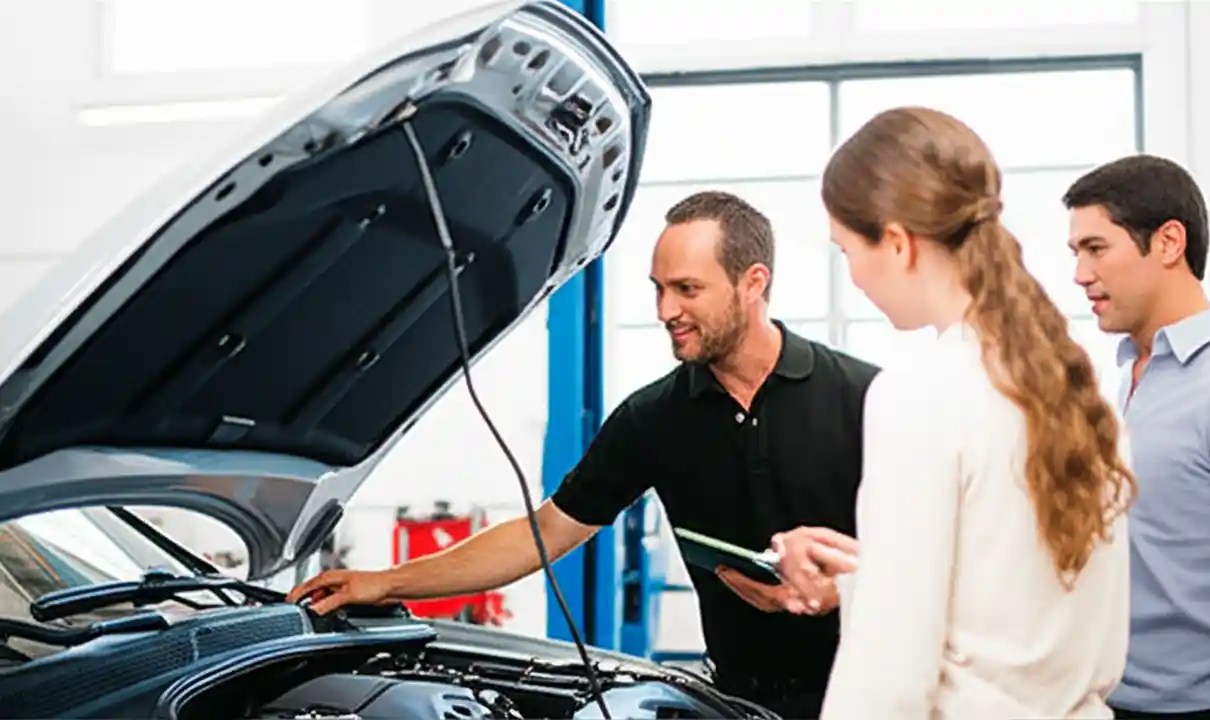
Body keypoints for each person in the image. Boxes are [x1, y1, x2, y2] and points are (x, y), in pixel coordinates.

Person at [287, 190, 881, 718]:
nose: (664, 311)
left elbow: (948, 556)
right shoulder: (654, 418)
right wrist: (385, 585)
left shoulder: (866, 398)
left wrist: (845, 592)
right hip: (738, 703)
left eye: (687, 289)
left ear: (754, 283)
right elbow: (544, 532)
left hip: (877, 694)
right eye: (658, 289)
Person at [771, 106, 1136, 719]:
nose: (855, 276)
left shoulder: (917, 395)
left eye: (846, 250)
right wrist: (873, 576)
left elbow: (889, 681)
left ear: (895, 241)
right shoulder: (1083, 388)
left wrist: (882, 595)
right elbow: (1037, 622)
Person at [1062, 155, 1210, 720]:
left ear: (1168, 243)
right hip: (1120, 702)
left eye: (1096, 248)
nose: (1081, 274)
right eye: (1076, 253)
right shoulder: (1133, 375)